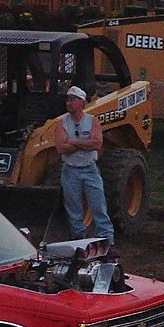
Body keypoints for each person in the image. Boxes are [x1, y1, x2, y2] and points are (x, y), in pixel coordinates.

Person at [55, 85, 115, 245]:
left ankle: (107, 241)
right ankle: (78, 241)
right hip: (70, 170)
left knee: (99, 207)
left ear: (81, 102)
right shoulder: (61, 124)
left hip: (89, 169)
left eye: (72, 100)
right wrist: (84, 143)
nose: (69, 103)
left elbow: (97, 143)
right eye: (68, 100)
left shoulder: (92, 121)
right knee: (74, 209)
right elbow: (61, 148)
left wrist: (73, 142)